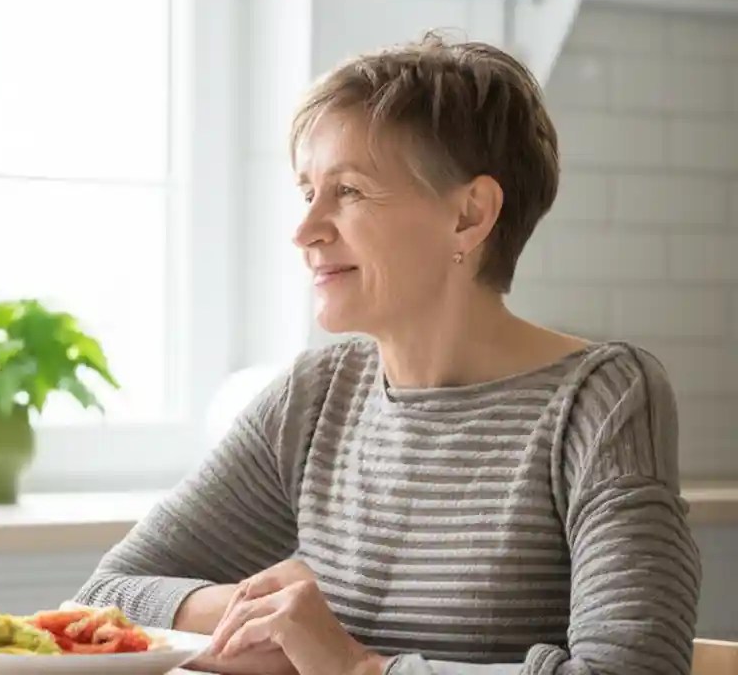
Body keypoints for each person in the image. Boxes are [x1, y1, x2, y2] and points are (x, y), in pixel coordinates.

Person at [74, 34, 701, 675]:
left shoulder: (602, 400)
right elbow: (103, 599)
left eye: (348, 191)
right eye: (307, 192)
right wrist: (273, 618)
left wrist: (357, 668)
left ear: (469, 214)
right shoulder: (315, 397)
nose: (305, 230)